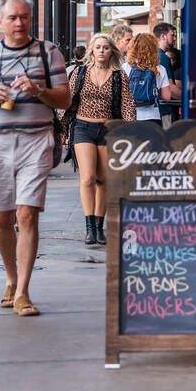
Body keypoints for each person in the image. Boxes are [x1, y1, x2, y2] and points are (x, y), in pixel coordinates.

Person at [0, 0, 69, 318]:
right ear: (1, 21)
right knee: (2, 218)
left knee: (26, 214)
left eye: (24, 17)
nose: (19, 23)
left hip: (36, 141)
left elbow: (64, 100)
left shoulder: (48, 52)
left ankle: (22, 292)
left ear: (30, 19)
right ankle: (10, 278)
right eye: (12, 18)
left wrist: (39, 91)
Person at [62, 32, 136, 245]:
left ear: (111, 50)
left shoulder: (119, 74)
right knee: (87, 178)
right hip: (83, 128)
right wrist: (64, 129)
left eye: (105, 47)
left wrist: (130, 132)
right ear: (91, 50)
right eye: (98, 47)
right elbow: (68, 100)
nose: (101, 50)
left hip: (108, 130)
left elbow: (127, 104)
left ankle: (98, 226)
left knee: (103, 180)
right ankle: (89, 228)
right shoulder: (80, 72)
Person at [126, 32, 174, 125]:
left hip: (131, 116)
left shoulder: (125, 67)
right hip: (153, 117)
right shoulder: (160, 69)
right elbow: (167, 97)